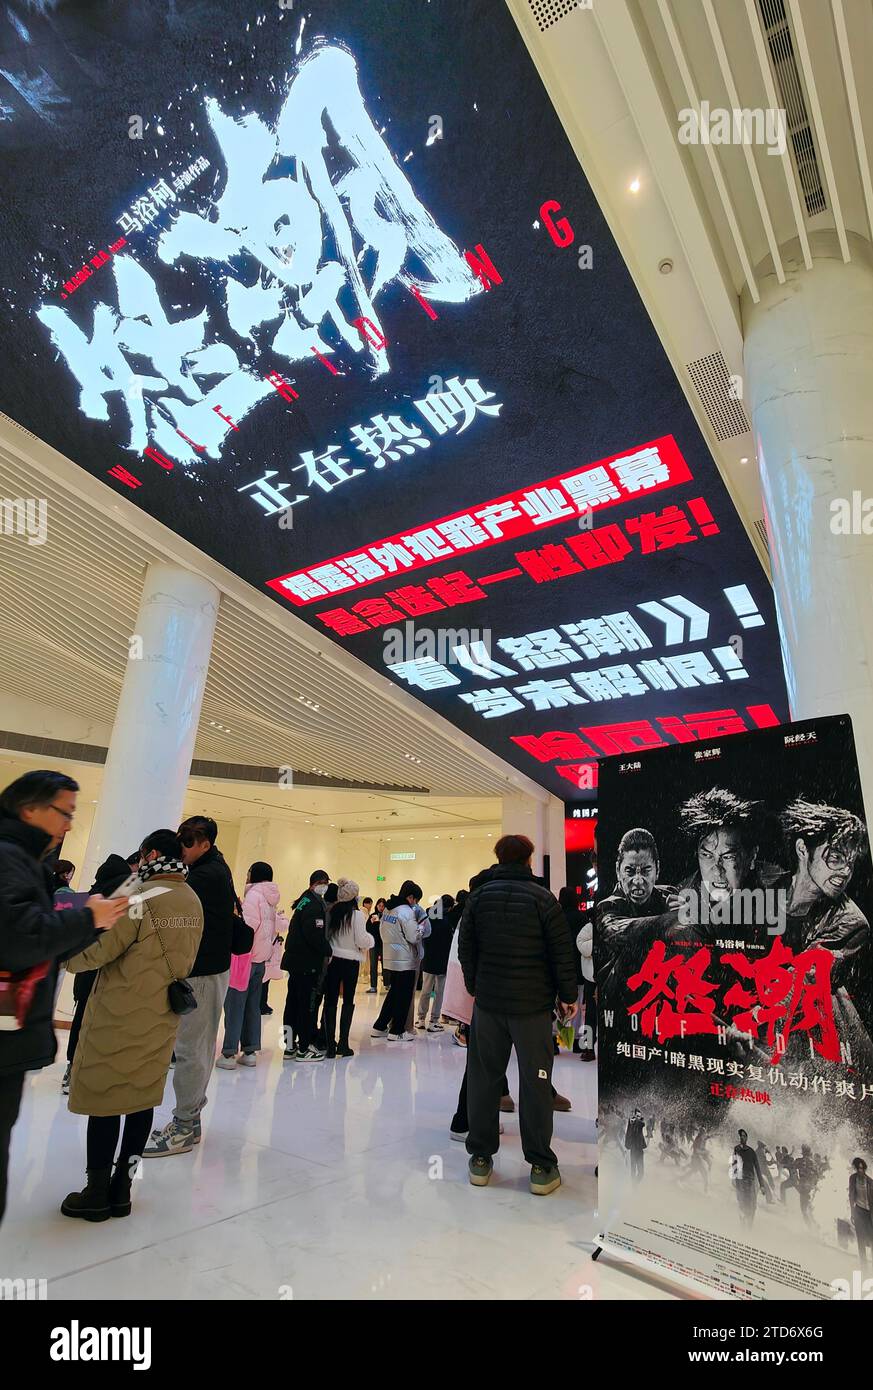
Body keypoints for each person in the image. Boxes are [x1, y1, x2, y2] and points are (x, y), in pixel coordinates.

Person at [0, 770, 128, 1226]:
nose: (69, 825)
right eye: (65, 813)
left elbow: (39, 945)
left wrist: (92, 922)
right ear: (29, 809)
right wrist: (86, 919)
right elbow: (19, 939)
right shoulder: (8, 859)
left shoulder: (23, 861)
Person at [62, 829, 203, 1220]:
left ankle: (95, 1192)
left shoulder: (138, 897)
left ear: (151, 853)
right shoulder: (192, 899)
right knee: (141, 1100)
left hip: (119, 1014)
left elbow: (102, 949)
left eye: (142, 856)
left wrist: (62, 953)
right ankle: (122, 1189)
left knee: (106, 1100)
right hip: (162, 1014)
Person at [459, 835, 577, 1197]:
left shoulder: (478, 897)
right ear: (528, 860)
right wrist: (568, 996)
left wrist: (476, 986)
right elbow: (561, 952)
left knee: (484, 1079)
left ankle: (480, 1158)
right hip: (532, 1008)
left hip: (490, 1006)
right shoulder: (544, 899)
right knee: (536, 1082)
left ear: (498, 858)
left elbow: (466, 949)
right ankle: (540, 1165)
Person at [144, 815, 236, 1157]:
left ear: (205, 845)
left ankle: (184, 1126)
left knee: (191, 1050)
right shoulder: (212, 868)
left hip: (205, 972)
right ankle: (190, 1120)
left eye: (188, 842)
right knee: (193, 1047)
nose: (182, 848)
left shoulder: (204, 875)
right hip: (205, 970)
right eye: (180, 840)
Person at [62, 853, 131, 1095]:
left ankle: (71, 1068)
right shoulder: (122, 898)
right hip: (106, 973)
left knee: (80, 1017)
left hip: (84, 970)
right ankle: (88, 1073)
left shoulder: (90, 896)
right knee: (97, 1024)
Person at [217, 862, 280, 1070]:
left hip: (245, 959)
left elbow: (248, 929)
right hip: (260, 960)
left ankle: (228, 1054)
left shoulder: (253, 896)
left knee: (235, 1005)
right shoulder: (270, 899)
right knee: (252, 1006)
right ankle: (250, 1051)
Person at [282, 869, 332, 1061]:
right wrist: (328, 950)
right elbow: (314, 935)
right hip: (307, 964)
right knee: (306, 1007)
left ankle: (288, 1046)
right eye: (324, 883)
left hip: (295, 963)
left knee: (291, 1005)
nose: (325, 887)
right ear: (317, 883)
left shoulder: (304, 901)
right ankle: (303, 1048)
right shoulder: (313, 904)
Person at [322, 878, 373, 1058]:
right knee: (348, 1001)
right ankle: (343, 1043)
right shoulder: (357, 915)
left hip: (333, 960)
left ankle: (329, 1045)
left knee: (330, 1000)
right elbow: (361, 940)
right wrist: (370, 940)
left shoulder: (331, 911)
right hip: (350, 962)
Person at [371, 881, 426, 1041]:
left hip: (390, 957)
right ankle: (397, 1031)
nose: (415, 904)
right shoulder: (406, 911)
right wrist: (421, 928)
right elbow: (413, 936)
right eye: (416, 900)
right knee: (403, 996)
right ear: (410, 897)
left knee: (394, 993)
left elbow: (382, 931)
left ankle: (379, 1026)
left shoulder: (388, 909)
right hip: (405, 959)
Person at [416, 893, 453, 1031]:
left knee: (425, 990)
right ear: (448, 907)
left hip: (428, 959)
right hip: (442, 960)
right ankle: (434, 1020)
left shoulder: (427, 916)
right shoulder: (447, 921)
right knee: (439, 991)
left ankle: (420, 1019)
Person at [731, 1128, 766, 1228]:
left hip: (750, 1182)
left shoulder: (752, 1152)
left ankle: (750, 1225)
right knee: (741, 1204)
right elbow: (734, 1164)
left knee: (752, 1206)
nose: (741, 1137)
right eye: (740, 1136)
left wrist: (762, 1185)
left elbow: (758, 1169)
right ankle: (743, 1225)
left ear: (746, 1138)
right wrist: (733, 1178)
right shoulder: (736, 1149)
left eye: (743, 1136)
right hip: (740, 1181)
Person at [849, 1157, 873, 1268]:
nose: (860, 1171)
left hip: (869, 1214)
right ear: (855, 1168)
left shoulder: (870, 1181)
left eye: (862, 1168)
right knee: (860, 1239)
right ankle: (864, 1266)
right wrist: (852, 1213)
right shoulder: (852, 1178)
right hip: (858, 1211)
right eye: (858, 1168)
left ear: (865, 1169)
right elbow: (851, 1195)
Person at [625, 1107, 646, 1183]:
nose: (638, 1118)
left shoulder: (640, 1123)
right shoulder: (631, 1123)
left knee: (641, 1173)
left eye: (639, 1116)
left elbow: (643, 1124)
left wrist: (637, 1119)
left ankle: (635, 1184)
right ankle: (633, 1188)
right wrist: (632, 1120)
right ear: (633, 1116)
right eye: (636, 1116)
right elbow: (628, 1132)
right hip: (633, 1150)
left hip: (640, 1150)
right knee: (633, 1171)